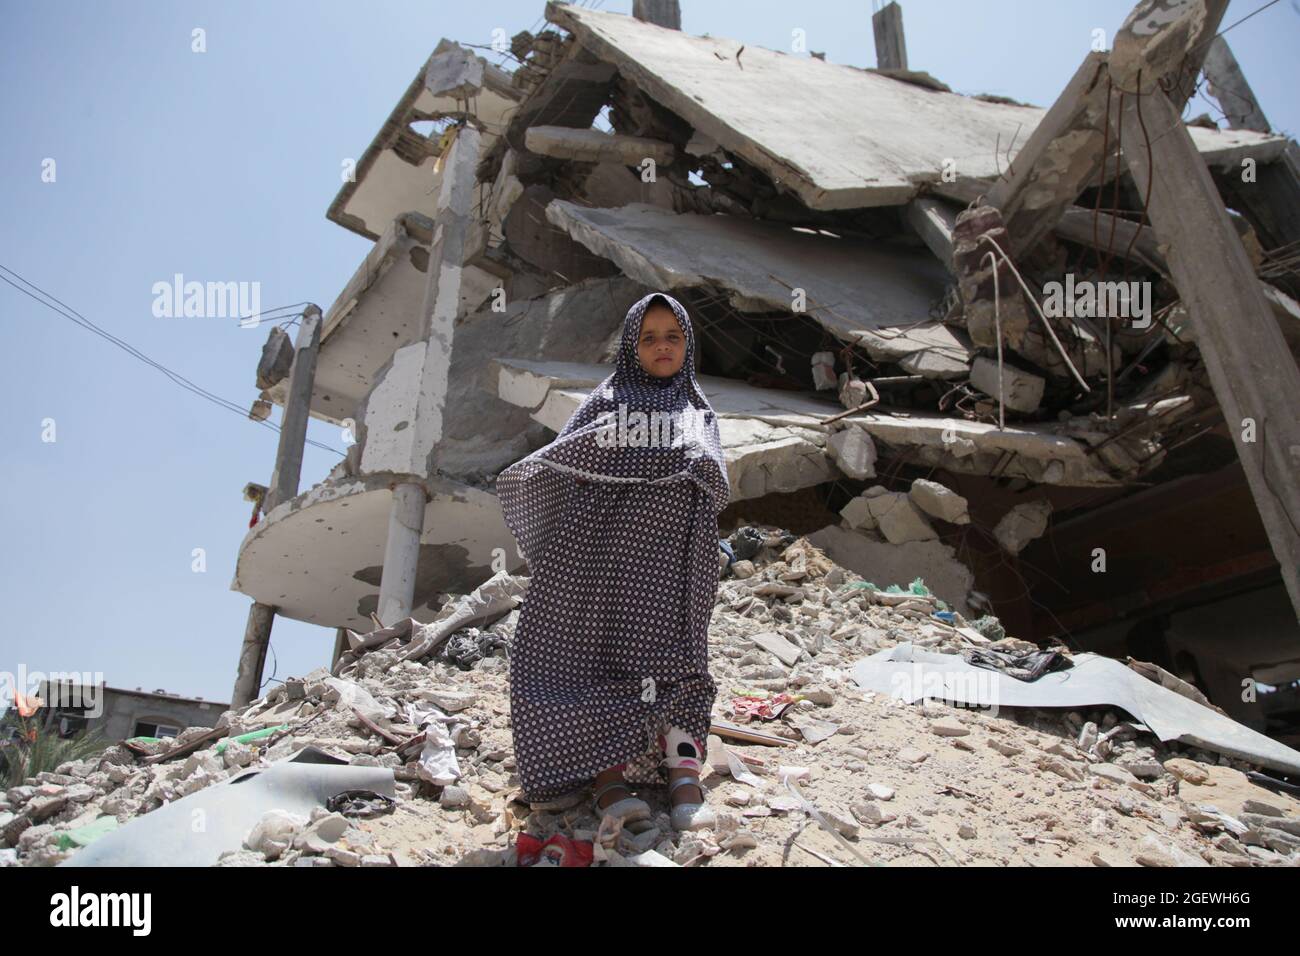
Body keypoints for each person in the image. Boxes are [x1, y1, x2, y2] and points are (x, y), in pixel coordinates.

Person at [495, 291, 730, 831]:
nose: (662, 346)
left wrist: (685, 468)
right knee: (598, 663)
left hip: (674, 567)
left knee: (678, 666)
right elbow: (571, 463)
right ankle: (610, 782)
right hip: (605, 566)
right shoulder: (606, 403)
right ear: (631, 346)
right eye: (648, 337)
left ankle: (684, 778)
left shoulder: (697, 408)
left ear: (688, 343)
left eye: (672, 336)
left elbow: (714, 486)